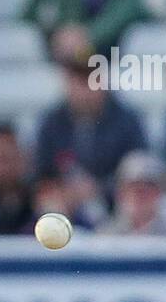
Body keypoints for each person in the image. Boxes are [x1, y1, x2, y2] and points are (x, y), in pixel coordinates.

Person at [36, 60, 148, 213]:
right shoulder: (52, 123)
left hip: (116, 206)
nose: (86, 91)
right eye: (80, 82)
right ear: (68, 84)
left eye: (92, 82)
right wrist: (64, 191)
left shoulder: (127, 122)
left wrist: (99, 188)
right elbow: (42, 173)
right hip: (65, 204)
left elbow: (140, 168)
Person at [101, 151, 166, 235]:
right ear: (120, 194)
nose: (137, 195)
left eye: (145, 190)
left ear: (158, 193)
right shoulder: (104, 236)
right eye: (132, 188)